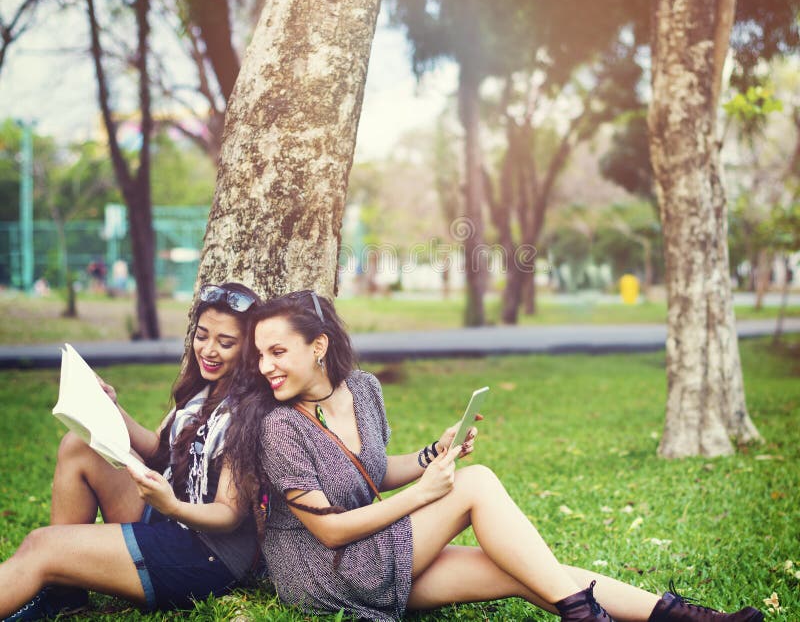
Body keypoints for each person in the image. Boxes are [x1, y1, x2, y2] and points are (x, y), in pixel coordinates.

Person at [248, 290, 763, 622]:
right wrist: (424, 495)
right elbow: (331, 530)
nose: (265, 365)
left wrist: (432, 455)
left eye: (277, 351)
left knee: (530, 570)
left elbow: (372, 472)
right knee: (476, 484)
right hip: (322, 571)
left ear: (317, 346)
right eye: (260, 354)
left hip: (373, 552)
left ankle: (687, 619)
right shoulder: (279, 426)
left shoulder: (362, 389)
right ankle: (585, 616)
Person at [0, 282, 261, 621]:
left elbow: (229, 515)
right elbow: (157, 451)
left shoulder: (248, 413)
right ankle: (65, 595)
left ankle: (54, 571)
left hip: (205, 555)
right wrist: (112, 407)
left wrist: (172, 505)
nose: (208, 350)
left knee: (42, 545)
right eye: (202, 335)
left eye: (225, 342)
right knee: (80, 445)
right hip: (171, 518)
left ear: (247, 349)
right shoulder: (204, 391)